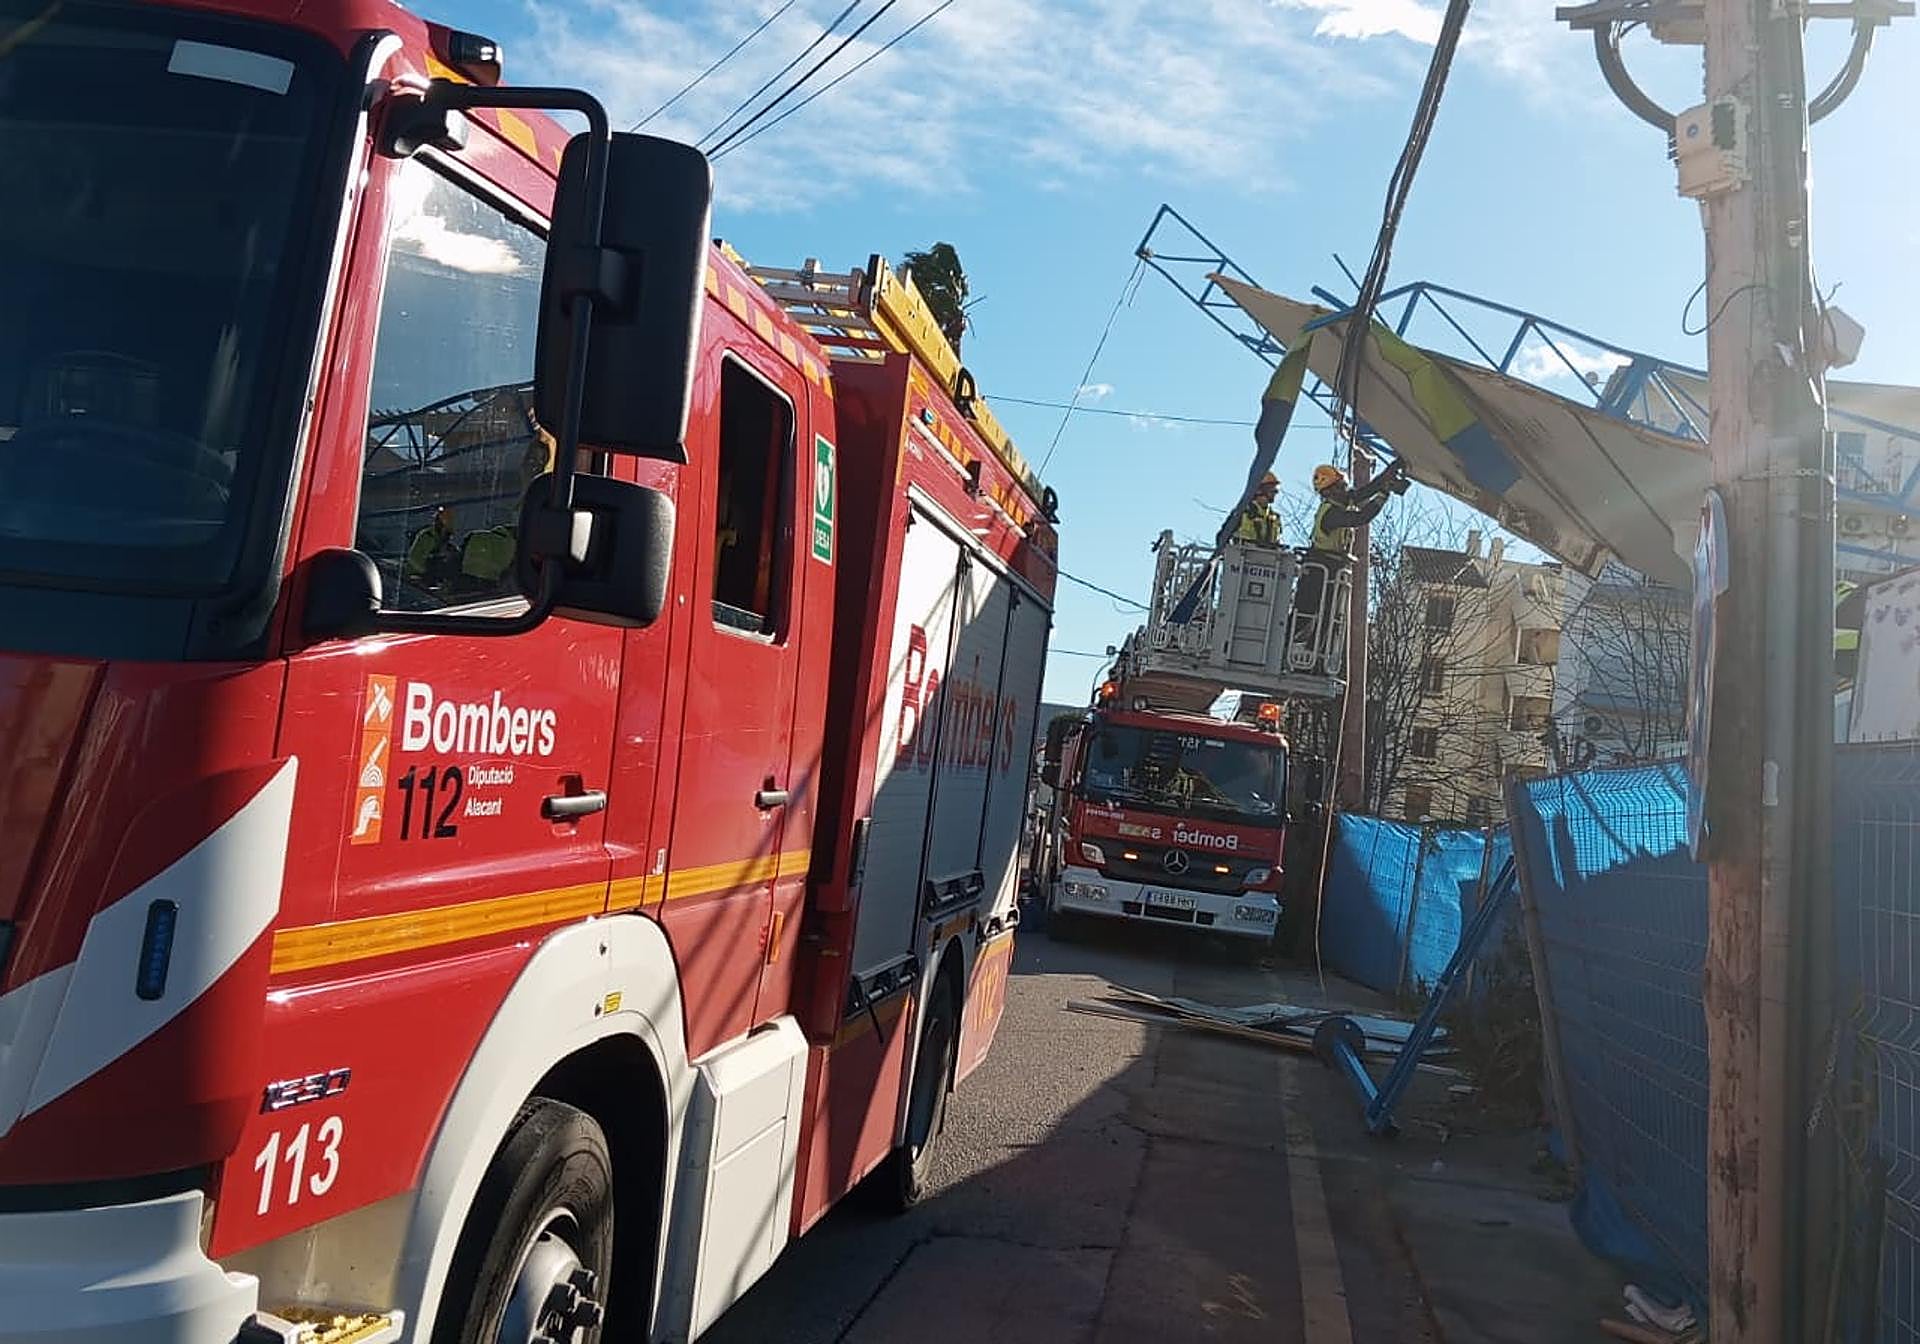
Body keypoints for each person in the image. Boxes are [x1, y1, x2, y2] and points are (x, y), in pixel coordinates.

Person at [1290, 459, 1410, 664]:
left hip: (1330, 569)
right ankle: (1297, 650)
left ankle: (1316, 654)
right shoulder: (1331, 513)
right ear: (1331, 490)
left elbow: (1362, 494)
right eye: (1342, 486)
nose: (1346, 490)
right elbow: (1360, 517)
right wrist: (1383, 495)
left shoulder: (1337, 504)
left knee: (1328, 616)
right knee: (1309, 614)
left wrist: (1387, 475)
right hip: (1320, 569)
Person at [1232, 471, 1283, 546]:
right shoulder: (1242, 513)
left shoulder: (1275, 518)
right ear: (1259, 490)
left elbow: (1278, 542)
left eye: (1275, 489)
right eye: (1270, 488)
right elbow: (1222, 538)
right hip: (1244, 555)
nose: (1275, 492)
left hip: (1269, 556)